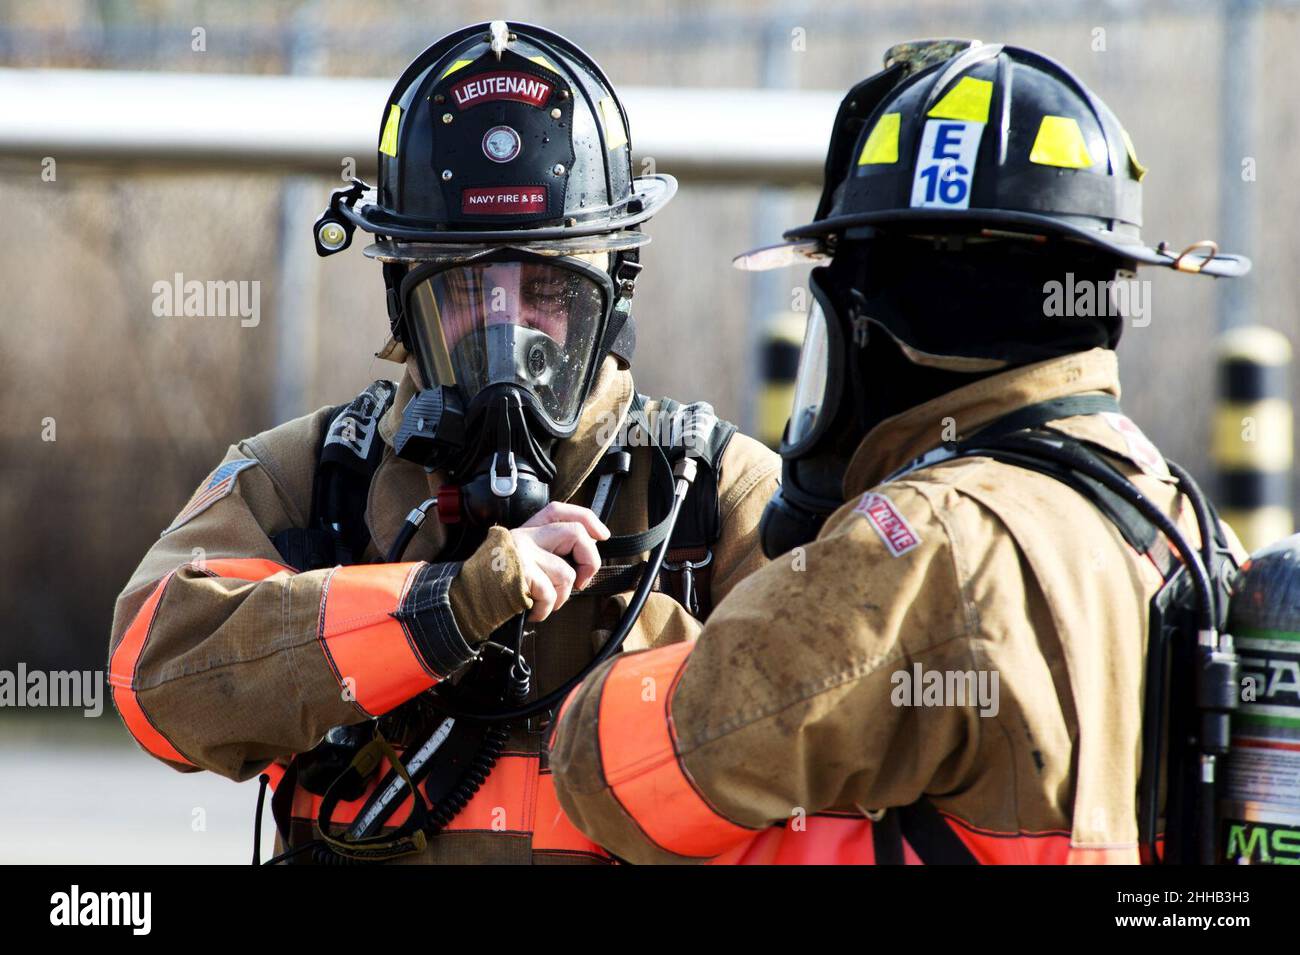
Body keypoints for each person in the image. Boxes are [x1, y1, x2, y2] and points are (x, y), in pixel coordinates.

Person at [547, 39, 1251, 864]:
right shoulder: (1183, 526)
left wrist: (633, 625)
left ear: (892, 316)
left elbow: (617, 778)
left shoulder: (925, 543)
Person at [108, 20, 778, 865]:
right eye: (465, 291)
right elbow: (155, 680)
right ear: (404, 297)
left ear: (610, 290)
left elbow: (832, 724)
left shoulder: (714, 495)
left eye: (545, 289)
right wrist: (443, 606)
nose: (510, 331)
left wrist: (627, 631)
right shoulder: (314, 478)